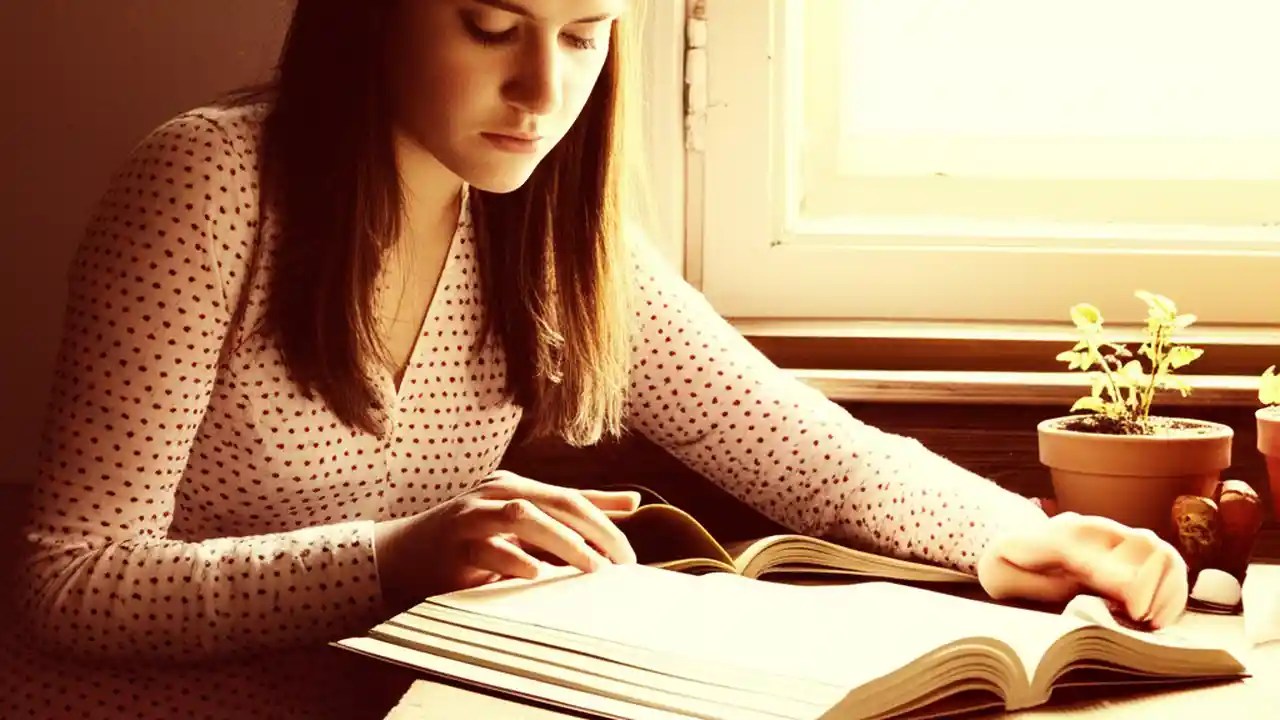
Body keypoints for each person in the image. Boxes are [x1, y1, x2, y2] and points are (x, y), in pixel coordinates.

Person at [2, 1, 1188, 718]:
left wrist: (1005, 535)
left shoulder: (537, 224)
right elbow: (71, 585)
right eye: (490, 27)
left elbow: (792, 442)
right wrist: (396, 558)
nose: (542, 90)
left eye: (584, 35)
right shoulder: (209, 188)